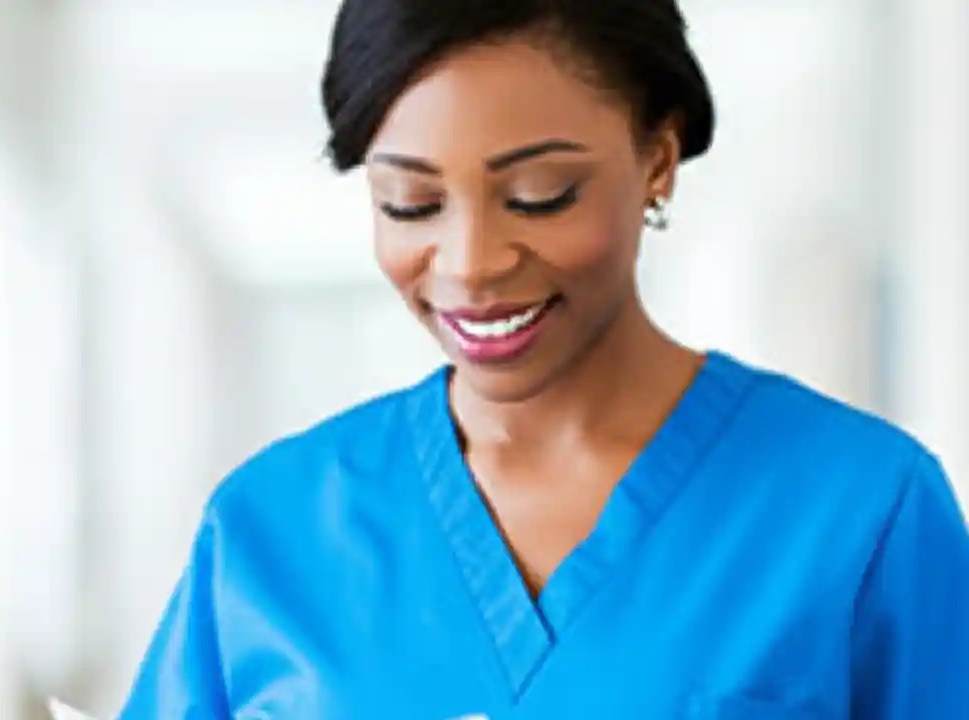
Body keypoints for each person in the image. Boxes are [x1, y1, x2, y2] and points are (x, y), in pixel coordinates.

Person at [119, 1, 969, 717]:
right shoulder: (271, 528)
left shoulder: (862, 509)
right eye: (410, 205)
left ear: (658, 162)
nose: (471, 263)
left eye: (539, 196)